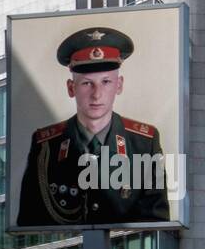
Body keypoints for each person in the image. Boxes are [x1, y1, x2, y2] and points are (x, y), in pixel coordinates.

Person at [16, 27, 170, 226]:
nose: (97, 95)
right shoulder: (46, 146)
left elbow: (156, 224)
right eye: (87, 84)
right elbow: (30, 221)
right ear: (71, 88)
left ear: (119, 85)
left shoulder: (143, 143)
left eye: (106, 82)